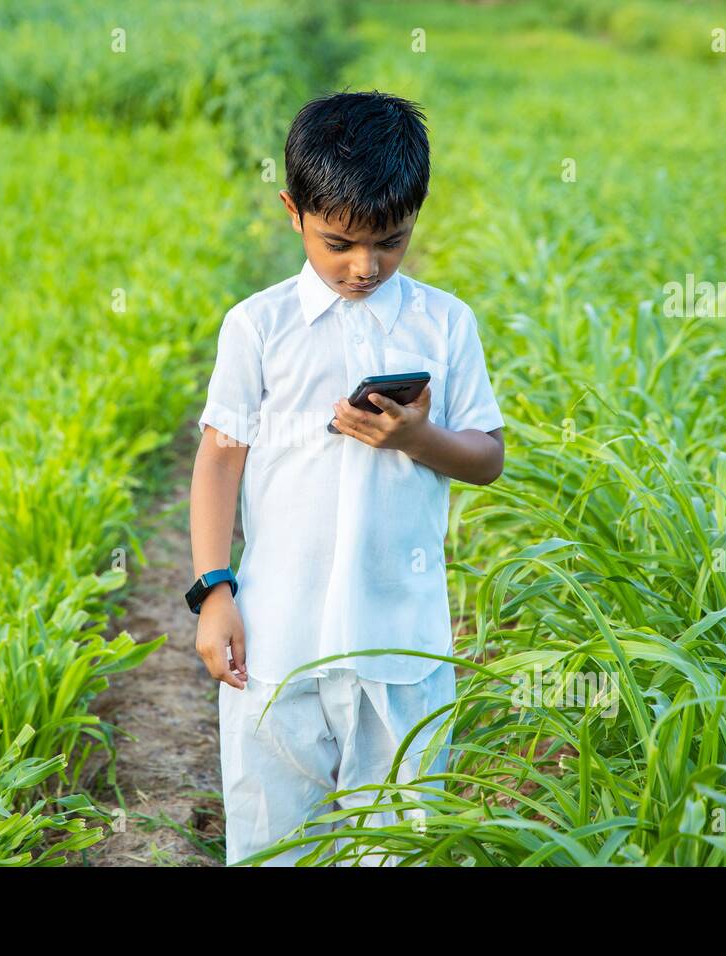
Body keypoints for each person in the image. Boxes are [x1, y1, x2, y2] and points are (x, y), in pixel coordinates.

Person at [187, 89, 506, 866]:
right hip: (279, 637)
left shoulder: (444, 323)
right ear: (291, 211)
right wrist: (213, 592)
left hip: (403, 643)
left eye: (390, 243)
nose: (365, 267)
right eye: (339, 244)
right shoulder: (258, 327)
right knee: (273, 839)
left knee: (391, 841)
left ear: (415, 218)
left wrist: (419, 436)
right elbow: (221, 457)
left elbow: (488, 458)